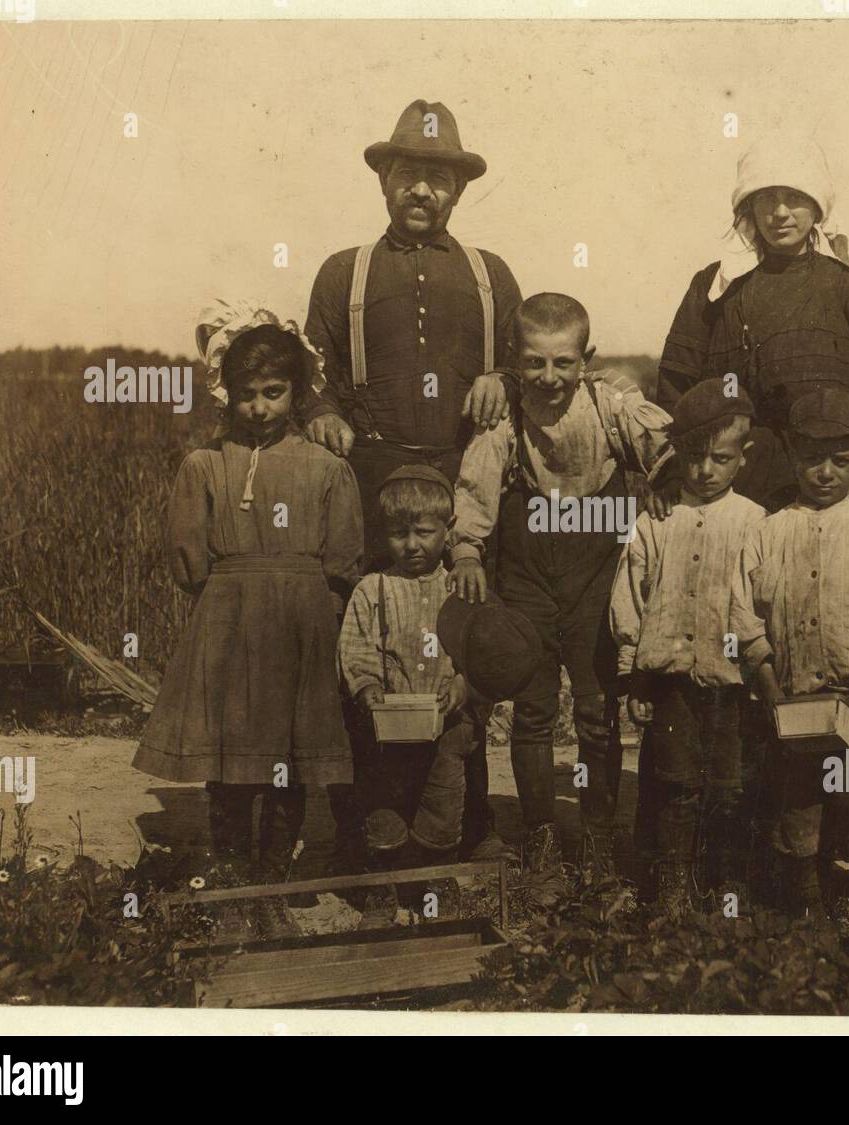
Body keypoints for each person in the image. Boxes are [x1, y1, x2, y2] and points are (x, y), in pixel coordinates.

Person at [302, 99, 522, 868]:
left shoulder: (490, 276)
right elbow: (314, 370)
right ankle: (367, 821)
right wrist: (324, 412)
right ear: (384, 182)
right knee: (372, 637)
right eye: (407, 176)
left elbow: (528, 371)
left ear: (458, 190)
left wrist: (500, 377)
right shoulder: (344, 272)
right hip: (370, 475)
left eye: (437, 178)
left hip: (460, 475)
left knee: (464, 637)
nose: (421, 191)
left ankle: (470, 820)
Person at [133, 301, 364, 939]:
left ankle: (272, 872)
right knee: (227, 752)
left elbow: (345, 558)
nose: (259, 407)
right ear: (225, 395)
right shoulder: (204, 465)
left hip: (301, 625)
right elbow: (188, 558)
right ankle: (232, 871)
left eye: (273, 392)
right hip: (227, 623)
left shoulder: (327, 468)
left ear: (296, 391)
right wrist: (231, 595)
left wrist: (310, 604)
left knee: (288, 752)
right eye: (246, 395)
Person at [449, 293, 672, 893]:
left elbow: (661, 449)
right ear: (515, 363)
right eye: (535, 364)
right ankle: (541, 832)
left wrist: (661, 483)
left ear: (586, 359)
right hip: (528, 574)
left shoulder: (608, 402)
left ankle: (597, 831)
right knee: (534, 707)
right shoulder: (506, 419)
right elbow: (475, 488)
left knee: (598, 710)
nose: (549, 378)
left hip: (596, 569)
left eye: (563, 363)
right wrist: (468, 549)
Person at [729, 386, 849, 951]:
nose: (824, 473)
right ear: (791, 455)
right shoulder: (767, 532)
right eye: (812, 459)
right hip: (793, 706)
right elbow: (744, 613)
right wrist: (764, 679)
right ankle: (808, 918)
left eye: (840, 461)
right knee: (799, 816)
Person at [656, 136, 849, 512]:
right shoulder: (713, 287)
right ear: (749, 207)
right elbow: (676, 385)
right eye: (766, 198)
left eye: (795, 197)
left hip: (828, 483)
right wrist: (677, 469)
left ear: (818, 207)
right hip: (733, 486)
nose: (780, 212)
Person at [610, 378, 767, 915]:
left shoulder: (753, 522)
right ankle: (671, 887)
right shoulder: (655, 520)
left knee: (729, 787)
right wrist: (634, 674)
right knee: (674, 782)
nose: (704, 472)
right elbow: (631, 598)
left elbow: (759, 604)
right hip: (670, 679)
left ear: (742, 458)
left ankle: (725, 886)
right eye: (695, 458)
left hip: (731, 684)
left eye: (720, 459)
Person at [337, 466, 474, 925]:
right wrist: (368, 688)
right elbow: (355, 648)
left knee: (442, 799)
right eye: (398, 534)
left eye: (423, 532)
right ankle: (381, 887)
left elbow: (480, 650)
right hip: (385, 725)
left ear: (449, 531)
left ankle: (434, 883)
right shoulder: (372, 588)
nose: (411, 545)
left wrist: (461, 684)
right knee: (382, 801)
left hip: (445, 723)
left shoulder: (459, 588)